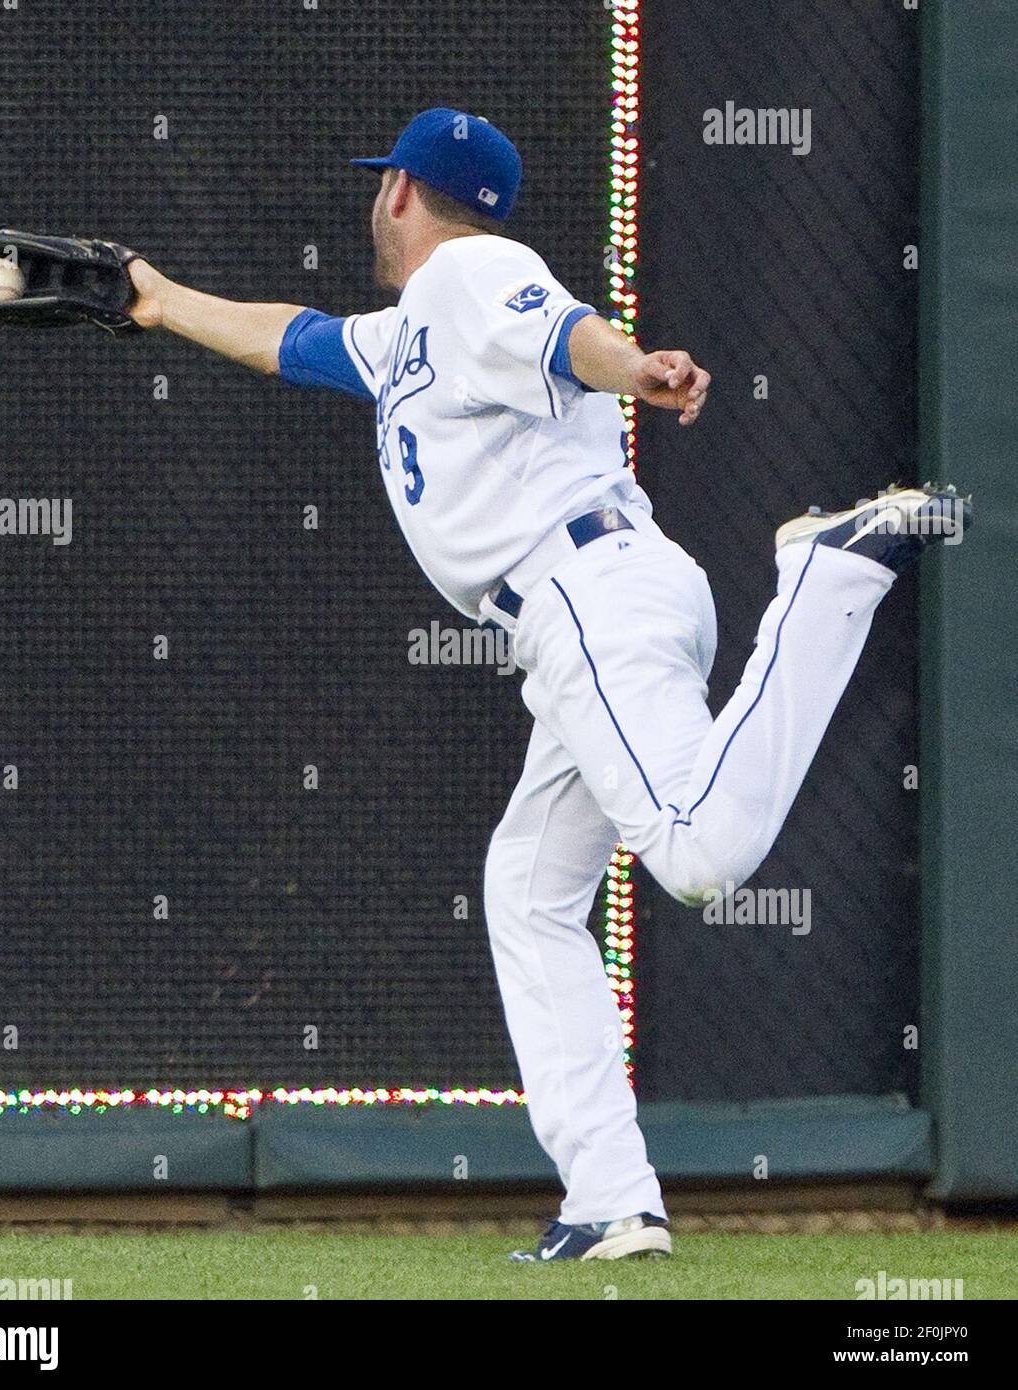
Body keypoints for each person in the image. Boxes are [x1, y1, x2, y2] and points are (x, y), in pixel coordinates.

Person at [115, 108, 966, 1261]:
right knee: (525, 887)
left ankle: (827, 575)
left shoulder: (471, 272)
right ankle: (612, 1199)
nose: (377, 203)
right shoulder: (413, 327)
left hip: (587, 600)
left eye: (385, 185)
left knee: (700, 855)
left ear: (406, 192)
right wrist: (154, 298)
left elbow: (569, 334)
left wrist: (638, 368)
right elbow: (292, 336)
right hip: (587, 609)